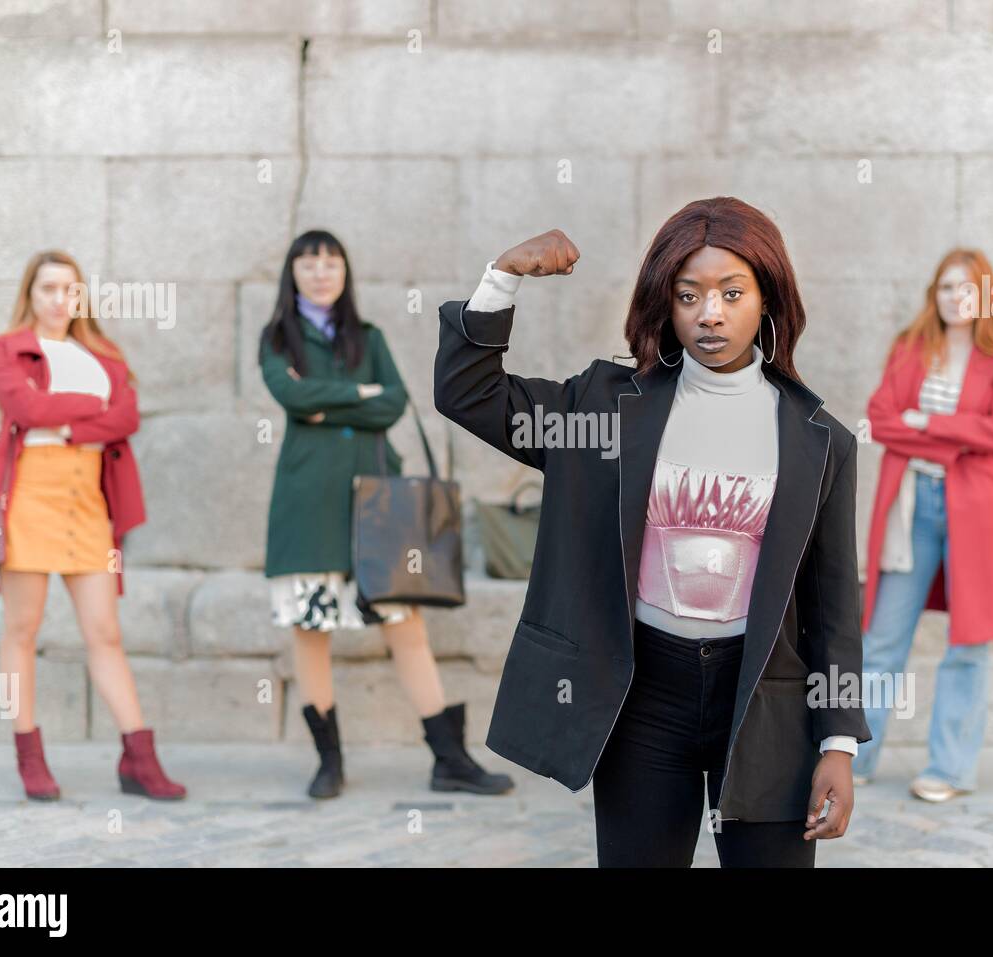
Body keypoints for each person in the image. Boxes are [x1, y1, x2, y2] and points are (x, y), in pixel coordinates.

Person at [434, 197, 870, 867]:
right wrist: (503, 275)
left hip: (763, 702)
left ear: (767, 298)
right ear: (666, 304)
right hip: (642, 699)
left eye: (732, 291)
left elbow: (834, 606)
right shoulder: (607, 408)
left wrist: (837, 743)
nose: (710, 312)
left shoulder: (821, 441)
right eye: (688, 294)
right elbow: (471, 395)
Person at [258, 229, 513, 800]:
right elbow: (290, 397)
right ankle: (329, 761)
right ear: (292, 272)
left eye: (332, 262)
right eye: (308, 262)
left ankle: (449, 758)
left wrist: (328, 401)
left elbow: (395, 400)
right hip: (309, 505)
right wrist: (357, 396)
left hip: (378, 501)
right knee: (310, 627)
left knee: (405, 622)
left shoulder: (367, 336)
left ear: (344, 272)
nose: (321, 272)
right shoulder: (277, 337)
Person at [0, 250, 186, 801]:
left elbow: (126, 418)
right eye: (48, 289)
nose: (59, 300)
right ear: (30, 294)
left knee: (105, 632)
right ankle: (29, 756)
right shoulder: (5, 349)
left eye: (70, 289)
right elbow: (23, 409)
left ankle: (139, 757)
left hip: (87, 501)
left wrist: (66, 419)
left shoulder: (103, 356)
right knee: (23, 628)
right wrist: (89, 411)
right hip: (28, 497)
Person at [854, 248, 993, 801]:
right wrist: (959, 434)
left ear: (984, 296)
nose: (955, 298)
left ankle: (950, 769)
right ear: (934, 294)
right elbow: (882, 420)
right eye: (946, 287)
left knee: (969, 642)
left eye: (967, 288)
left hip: (979, 515)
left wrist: (927, 421)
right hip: (913, 507)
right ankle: (853, 759)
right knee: (882, 638)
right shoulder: (910, 349)